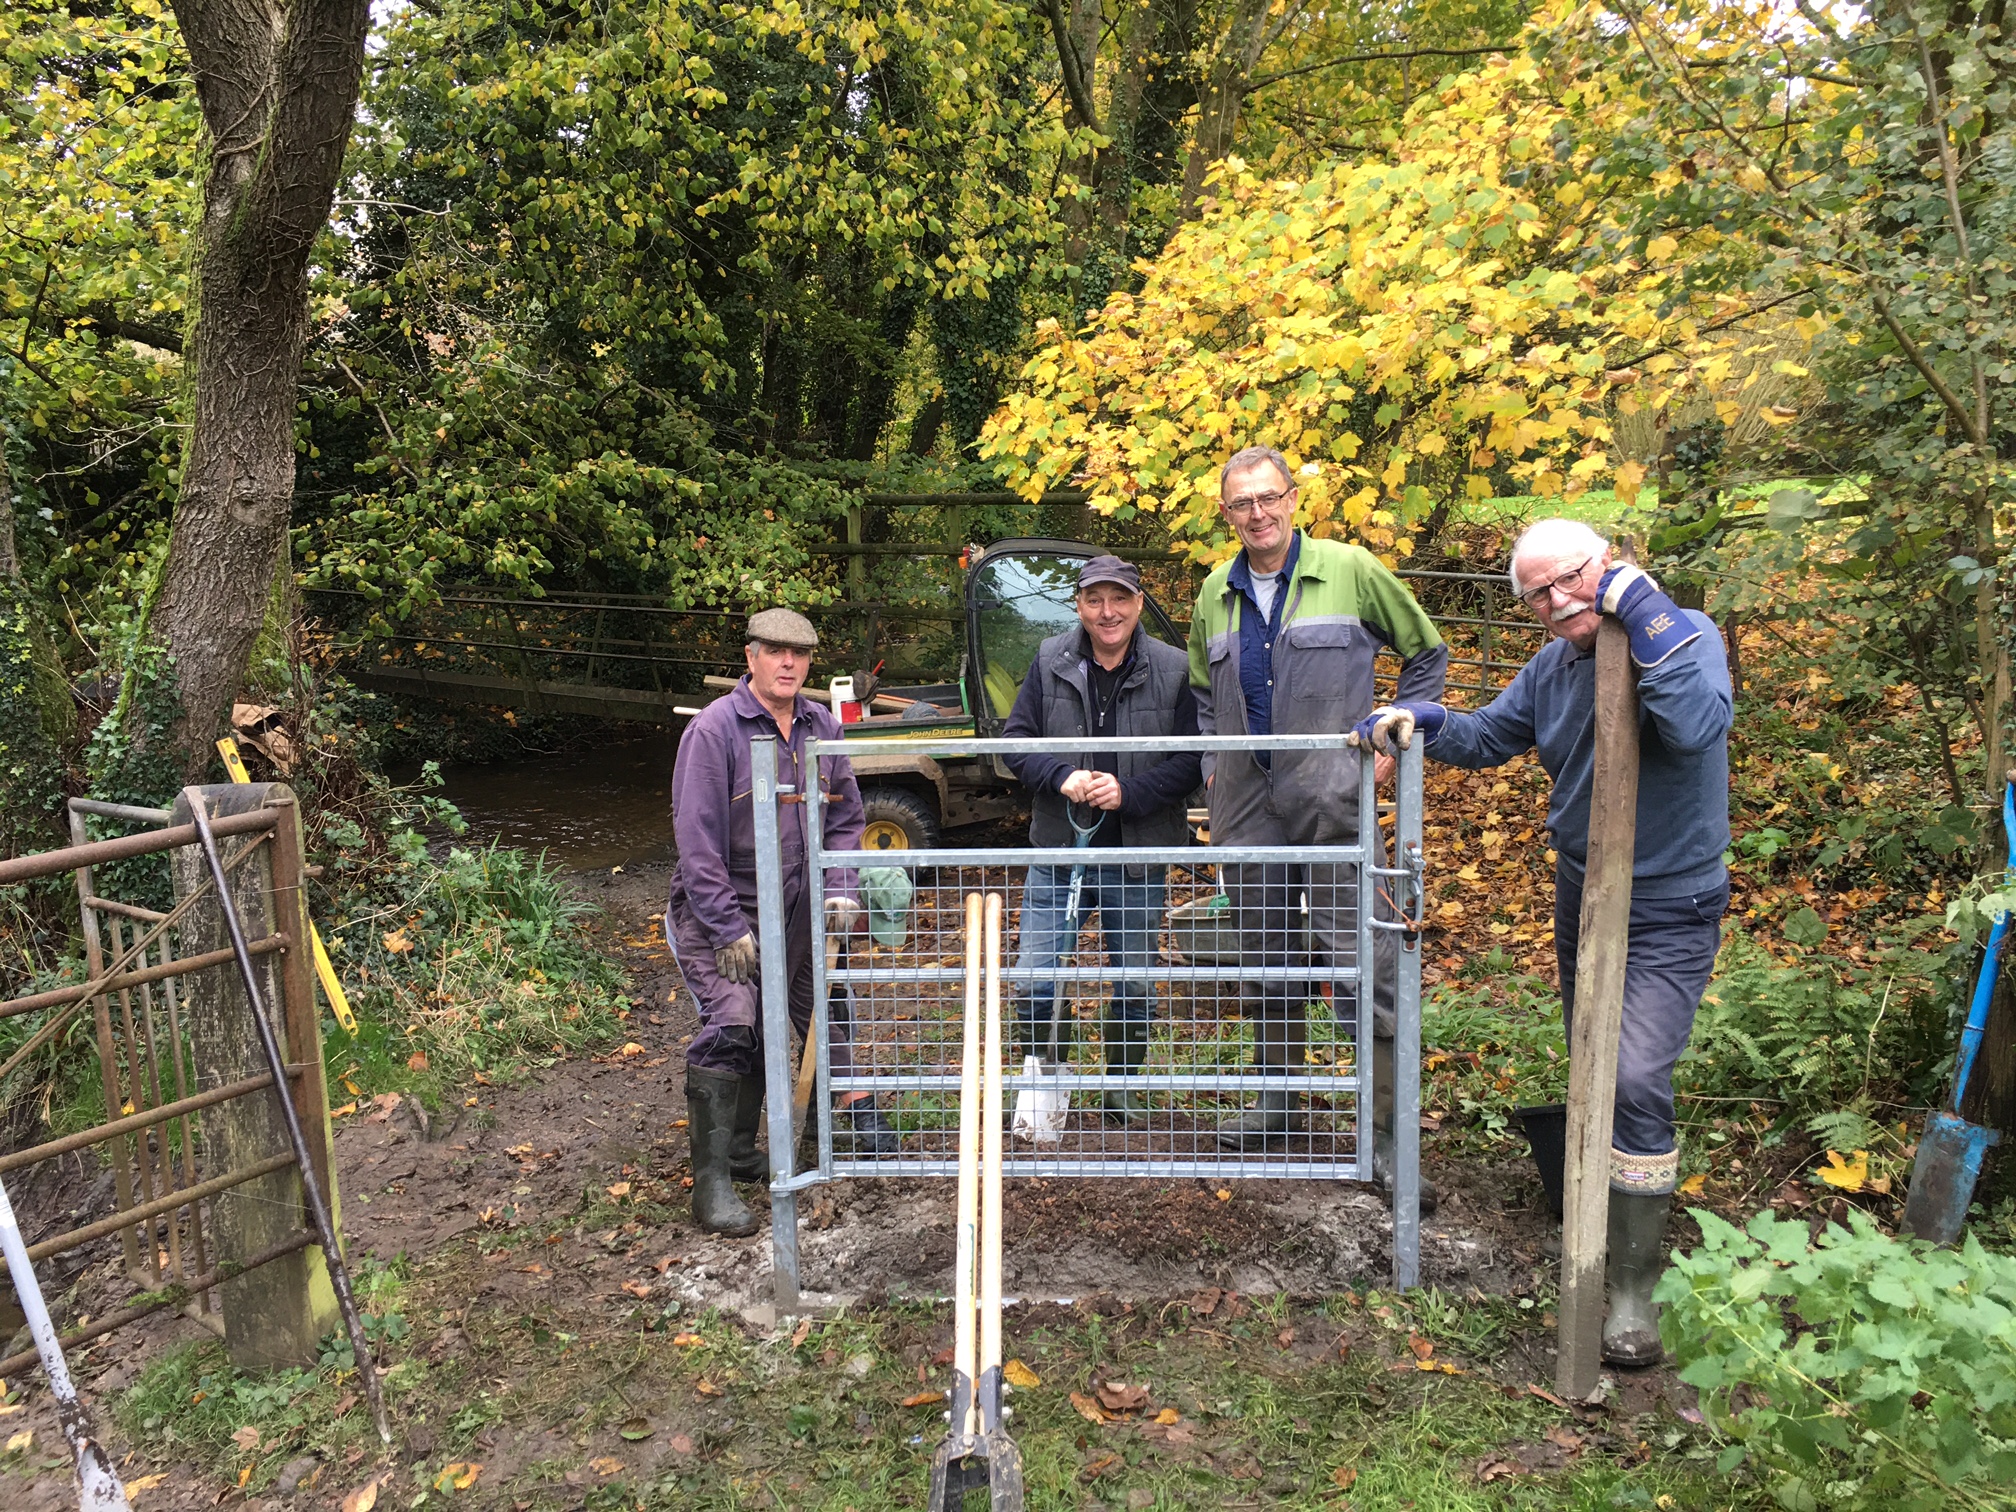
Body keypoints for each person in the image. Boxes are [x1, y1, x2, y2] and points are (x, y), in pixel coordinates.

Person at [1351, 517, 1732, 1366]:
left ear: (1611, 565)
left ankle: (1631, 1291)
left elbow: (1695, 728)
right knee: (1589, 1056)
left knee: (1633, 1074)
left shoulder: (1683, 639)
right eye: (1537, 595)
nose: (1558, 602)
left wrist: (1642, 606)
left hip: (1669, 900)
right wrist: (1423, 718)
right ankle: (1592, 1222)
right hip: (1581, 891)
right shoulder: (1555, 665)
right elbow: (1493, 737)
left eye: (1572, 580)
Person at [1189, 446, 1450, 1195]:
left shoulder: (1351, 568)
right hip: (1246, 809)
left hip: (1334, 800)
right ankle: (1279, 1107)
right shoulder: (1215, 591)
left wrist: (1394, 740)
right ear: (1226, 513)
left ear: (1294, 499)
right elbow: (1207, 693)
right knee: (1268, 956)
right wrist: (1214, 767)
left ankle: (1388, 1139)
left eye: (1268, 498)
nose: (1257, 514)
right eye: (1241, 504)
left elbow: (1426, 654)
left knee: (1363, 962)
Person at [665, 608, 897, 1238]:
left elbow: (847, 819)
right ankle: (713, 1184)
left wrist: (841, 889)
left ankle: (772, 1144)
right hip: (727, 912)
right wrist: (724, 928)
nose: (789, 663)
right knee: (735, 1021)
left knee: (822, 1006)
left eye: (799, 654)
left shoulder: (821, 725)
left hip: (799, 911)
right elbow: (695, 842)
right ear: (751, 658)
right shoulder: (716, 733)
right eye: (775, 652)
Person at [1002, 556, 1203, 1123]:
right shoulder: (1050, 661)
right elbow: (1015, 742)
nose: (1107, 612)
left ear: (1139, 603)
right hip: (1060, 853)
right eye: (1095, 600)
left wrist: (1132, 792)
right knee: (1039, 976)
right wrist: (1059, 775)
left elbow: (1193, 759)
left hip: (1136, 855)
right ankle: (1048, 1090)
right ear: (1080, 606)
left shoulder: (1173, 667)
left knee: (1134, 980)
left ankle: (1120, 1089)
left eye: (1119, 598)